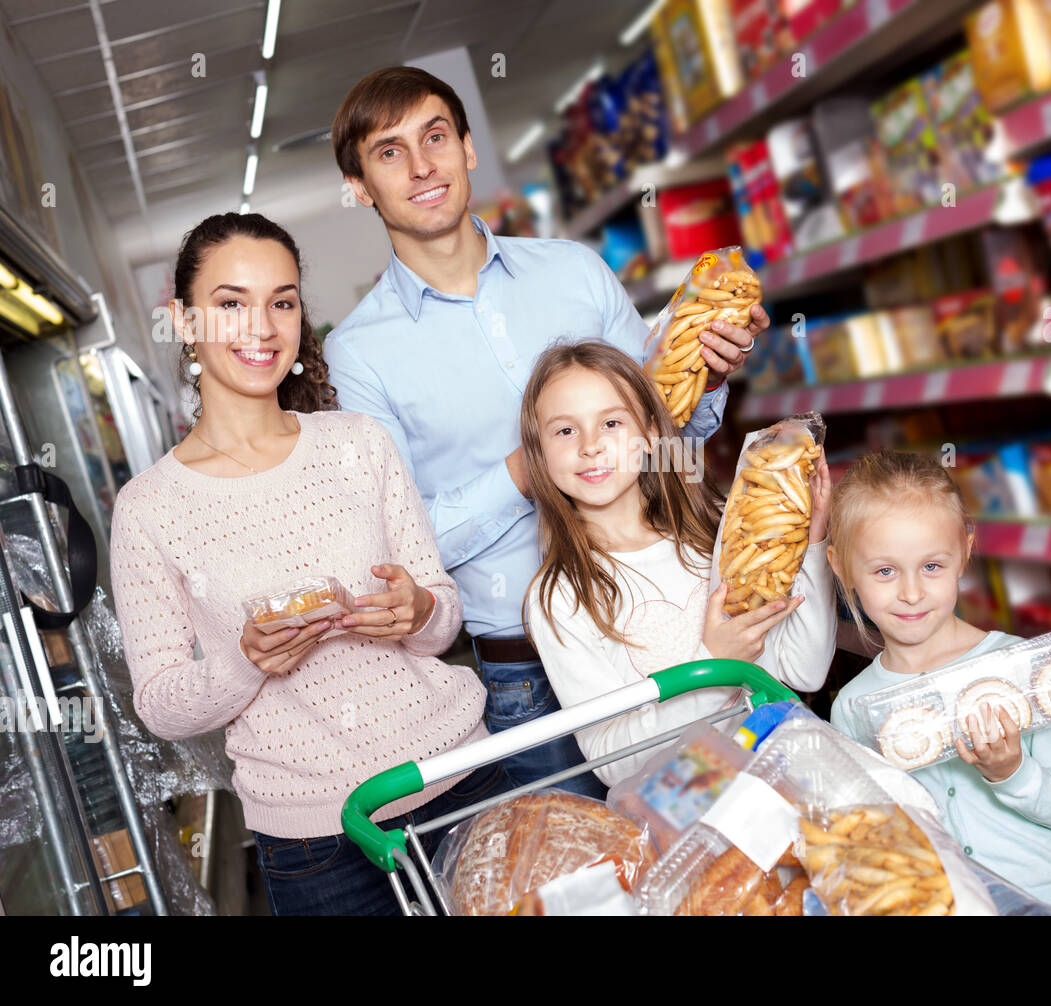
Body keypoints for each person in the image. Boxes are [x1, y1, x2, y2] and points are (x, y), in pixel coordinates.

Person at [322, 67, 769, 796]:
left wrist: (706, 376)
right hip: (526, 675)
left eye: (436, 136)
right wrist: (524, 472)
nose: (422, 165)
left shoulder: (575, 271)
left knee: (727, 850)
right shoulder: (358, 353)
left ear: (468, 148)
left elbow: (667, 436)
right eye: (389, 151)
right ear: (361, 186)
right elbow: (401, 545)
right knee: (590, 888)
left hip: (667, 621)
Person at [109, 213, 507, 916]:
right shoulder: (147, 507)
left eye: (282, 301)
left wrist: (418, 609)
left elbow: (441, 617)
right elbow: (159, 704)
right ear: (182, 319)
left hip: (458, 780)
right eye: (231, 303)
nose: (261, 327)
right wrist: (243, 661)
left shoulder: (358, 442)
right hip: (315, 845)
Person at [521, 341, 834, 786]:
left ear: (651, 433)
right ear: (539, 451)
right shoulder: (560, 597)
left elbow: (803, 669)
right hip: (680, 815)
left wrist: (812, 545)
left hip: (782, 781)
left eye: (611, 423)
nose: (590, 446)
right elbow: (611, 762)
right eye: (565, 431)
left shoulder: (714, 534)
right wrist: (714, 665)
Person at [825, 450, 1051, 915]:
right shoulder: (855, 707)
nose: (911, 592)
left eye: (931, 566)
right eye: (884, 571)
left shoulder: (1014, 667)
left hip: (1045, 902)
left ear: (965, 551)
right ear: (840, 565)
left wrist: (1014, 774)